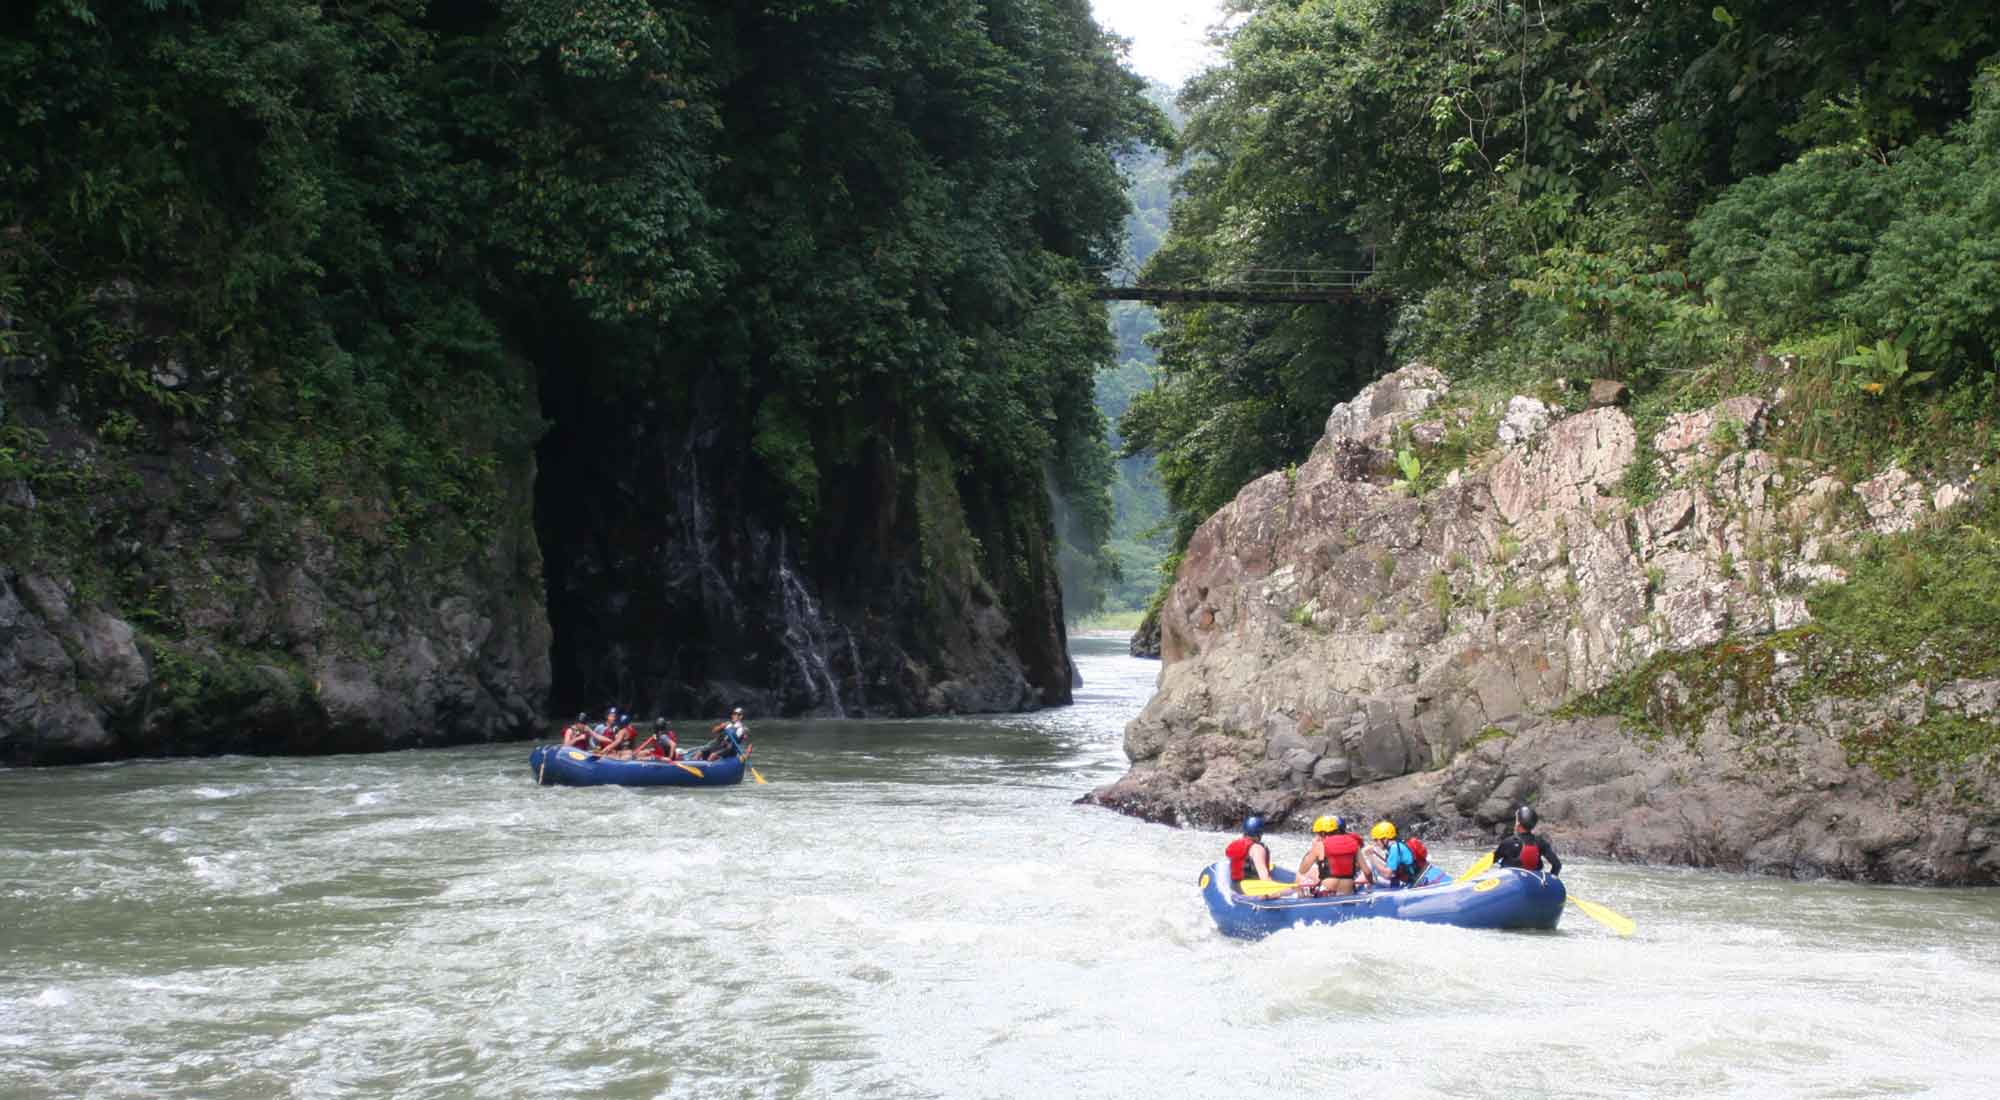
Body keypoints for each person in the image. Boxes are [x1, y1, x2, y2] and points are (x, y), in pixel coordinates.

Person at [1292, 814, 1363, 896]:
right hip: (1349, 889)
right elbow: (1364, 870)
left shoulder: (1320, 846)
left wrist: (1313, 849)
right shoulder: (1353, 842)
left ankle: (1302, 903)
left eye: (1318, 834)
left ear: (1322, 833)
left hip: (1328, 892)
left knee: (1299, 875)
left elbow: (1302, 870)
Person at [1492, 805, 1562, 875]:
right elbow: (1557, 865)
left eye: (1516, 820)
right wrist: (1551, 878)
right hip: (1533, 880)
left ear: (1518, 824)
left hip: (1511, 881)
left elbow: (1492, 859)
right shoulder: (1540, 842)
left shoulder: (1508, 842)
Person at [1224, 815, 1274, 887]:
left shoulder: (1235, 845)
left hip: (1235, 889)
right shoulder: (1257, 849)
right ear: (1260, 833)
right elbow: (1265, 878)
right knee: (1292, 889)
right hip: (1252, 891)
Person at [1362, 820, 1415, 887]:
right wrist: (1374, 854)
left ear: (1385, 839)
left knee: (1374, 875)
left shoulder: (1394, 848)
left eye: (1376, 840)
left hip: (1410, 882)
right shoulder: (1397, 844)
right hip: (1407, 878)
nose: (1375, 843)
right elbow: (1391, 867)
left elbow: (1387, 874)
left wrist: (1371, 857)